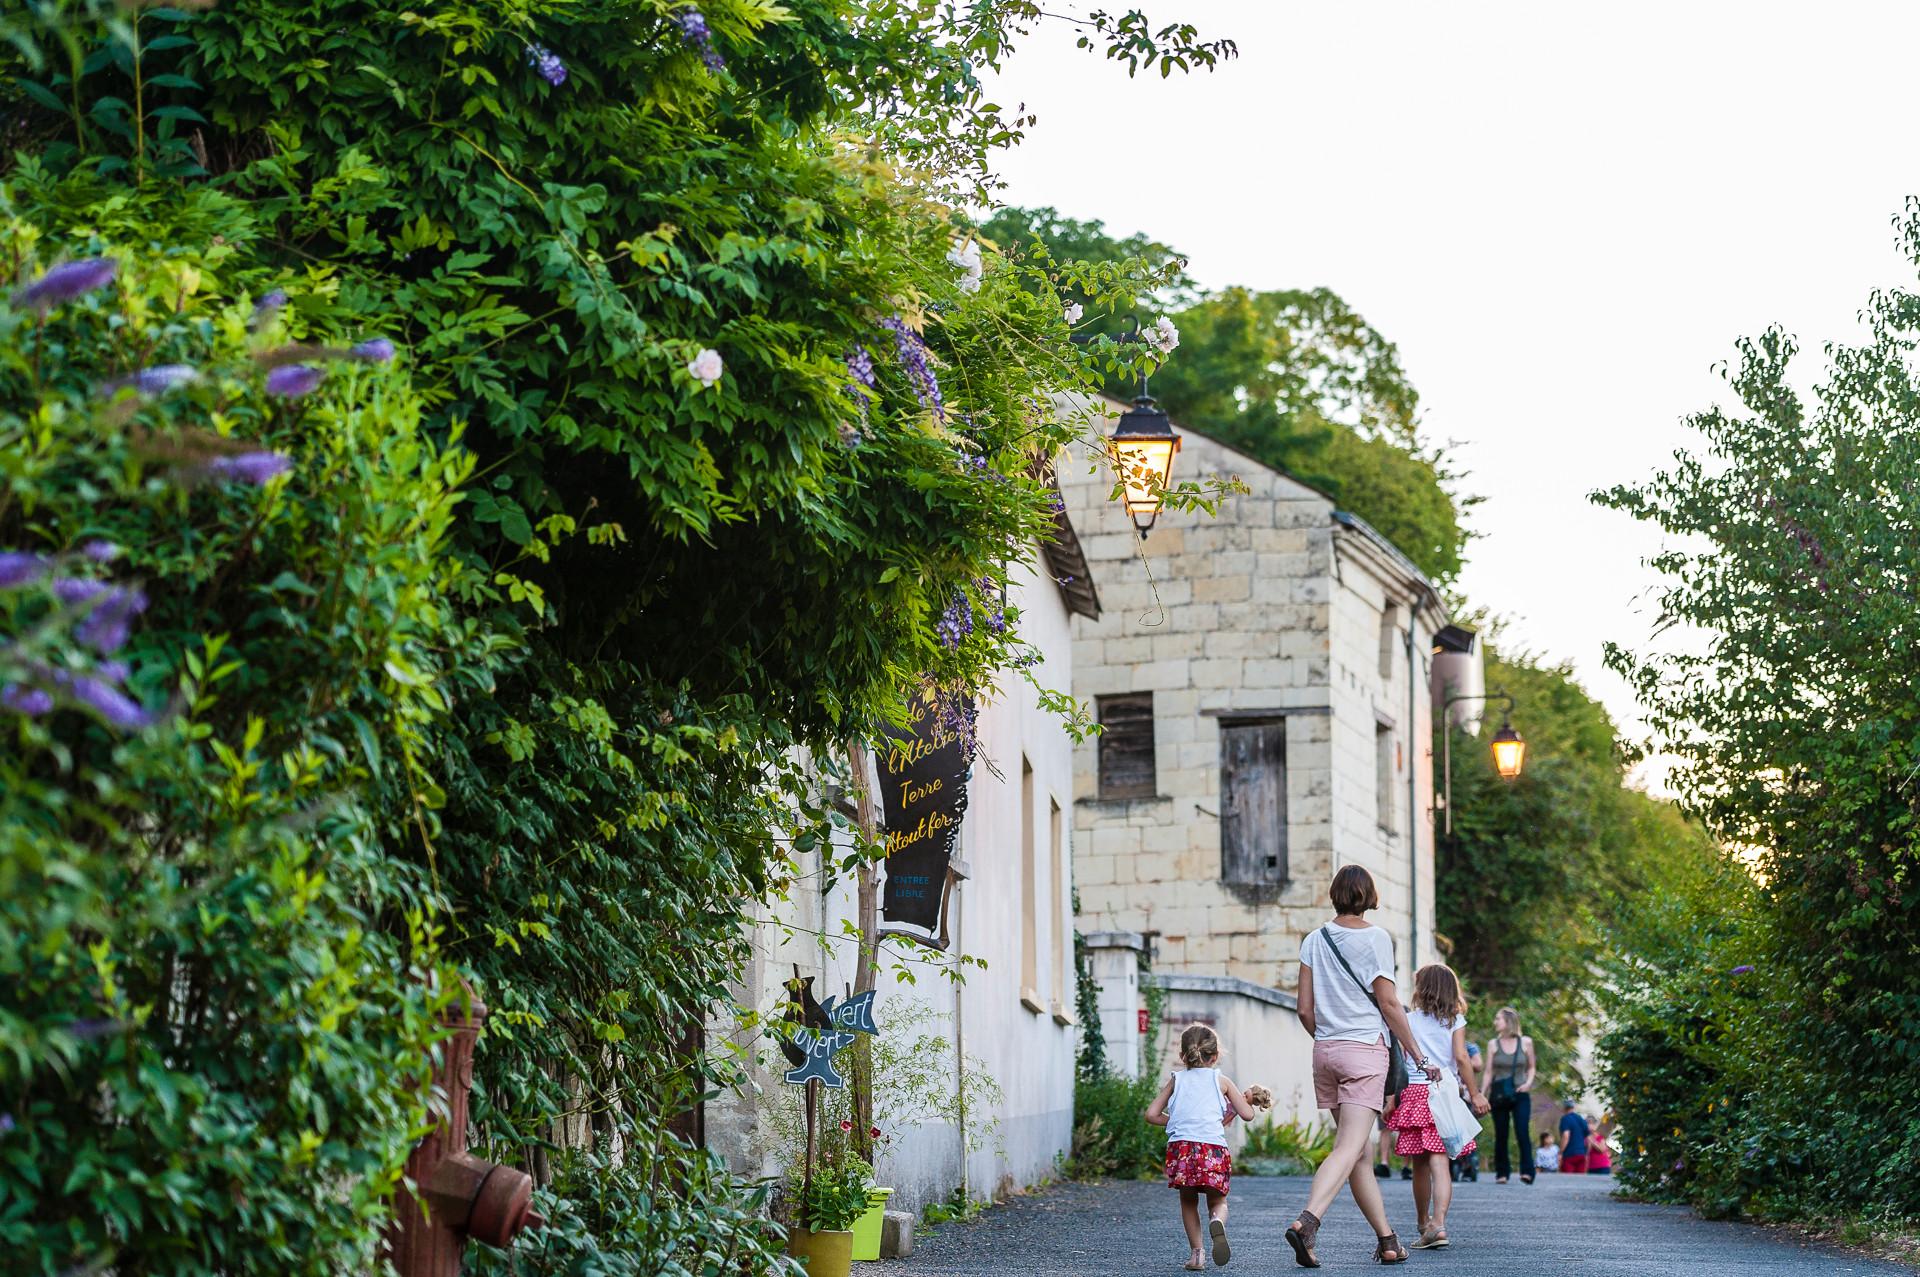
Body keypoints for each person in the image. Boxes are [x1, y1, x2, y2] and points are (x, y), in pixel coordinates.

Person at [1283, 865, 1442, 1268]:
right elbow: (1389, 1004)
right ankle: (1308, 1221)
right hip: (1363, 1053)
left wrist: (1329, 1037)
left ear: (1335, 893)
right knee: (1350, 1148)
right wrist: (1418, 1056)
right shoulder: (1376, 939)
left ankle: (1388, 1241)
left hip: (1325, 1050)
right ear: (1368, 895)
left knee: (1360, 1156)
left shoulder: (1313, 940)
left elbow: (1304, 1009)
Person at [1145, 1023, 1269, 1270]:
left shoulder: (1175, 1080)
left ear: (1183, 1056)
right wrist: (1243, 1101)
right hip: (1212, 1150)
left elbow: (1151, 1114)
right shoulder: (1221, 1080)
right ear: (1215, 1056)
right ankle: (1217, 1220)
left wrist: (1176, 1121)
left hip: (1182, 1150)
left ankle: (1197, 1255)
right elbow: (1247, 1115)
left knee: (1188, 1202)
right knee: (1218, 1201)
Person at [1383, 964, 1490, 1250]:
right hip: (1445, 1093)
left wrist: (1392, 1098)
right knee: (1440, 1161)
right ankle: (1439, 1224)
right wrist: (1475, 1093)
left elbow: (1400, 1062)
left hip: (1415, 1092)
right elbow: (1461, 1058)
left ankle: (1422, 1223)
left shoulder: (1408, 1019)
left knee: (1419, 1164)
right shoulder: (1455, 1021)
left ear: (1422, 989)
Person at [1480, 1007, 1537, 1184]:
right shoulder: (1493, 1044)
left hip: (1520, 1093)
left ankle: (1527, 1172)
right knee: (1501, 1133)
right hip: (1499, 1094)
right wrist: (1481, 1094)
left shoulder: (1526, 1042)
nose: (1495, 1022)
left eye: (1498, 1019)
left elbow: (1532, 1067)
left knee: (1522, 1131)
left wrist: (1528, 1084)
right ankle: (1502, 1173)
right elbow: (1489, 1072)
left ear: (1508, 1022)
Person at [1557, 1101, 1590, 1175]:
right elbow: (1588, 1138)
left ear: (1564, 1108)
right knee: (1580, 1181)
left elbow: (1566, 1136)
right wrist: (1586, 1153)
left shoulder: (1565, 1119)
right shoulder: (1581, 1119)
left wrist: (1560, 1152)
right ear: (1573, 1107)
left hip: (1569, 1155)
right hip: (1581, 1155)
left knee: (1568, 1181)